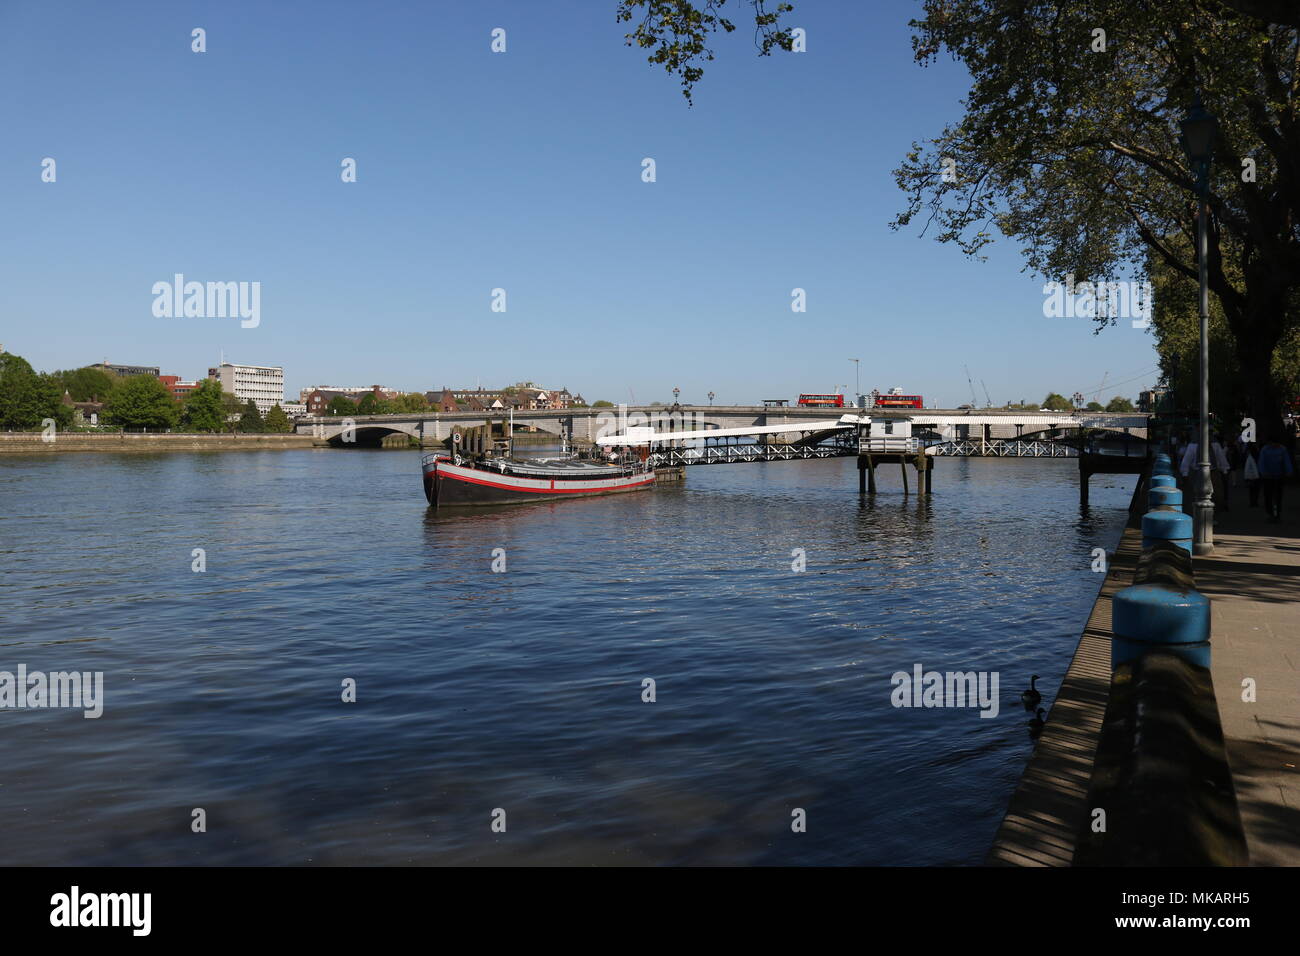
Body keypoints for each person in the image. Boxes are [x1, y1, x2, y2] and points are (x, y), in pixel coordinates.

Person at [1180, 435, 1231, 508]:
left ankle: (1214, 513)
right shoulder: (1193, 445)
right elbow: (1186, 460)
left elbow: (1221, 457)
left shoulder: (1215, 444)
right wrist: (1185, 473)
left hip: (1213, 472)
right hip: (1197, 473)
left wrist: (1225, 470)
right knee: (1198, 495)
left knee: (1216, 496)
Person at [1258, 435, 1294, 522]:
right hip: (1268, 476)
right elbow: (1261, 462)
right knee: (1268, 495)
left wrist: (1289, 471)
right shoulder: (1265, 450)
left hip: (1279, 475)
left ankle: (1277, 513)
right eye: (1272, 443)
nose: (1274, 445)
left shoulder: (1282, 449)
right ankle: (1269, 513)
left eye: (1275, 443)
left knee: (1278, 496)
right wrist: (1263, 473)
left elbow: (1286, 461)